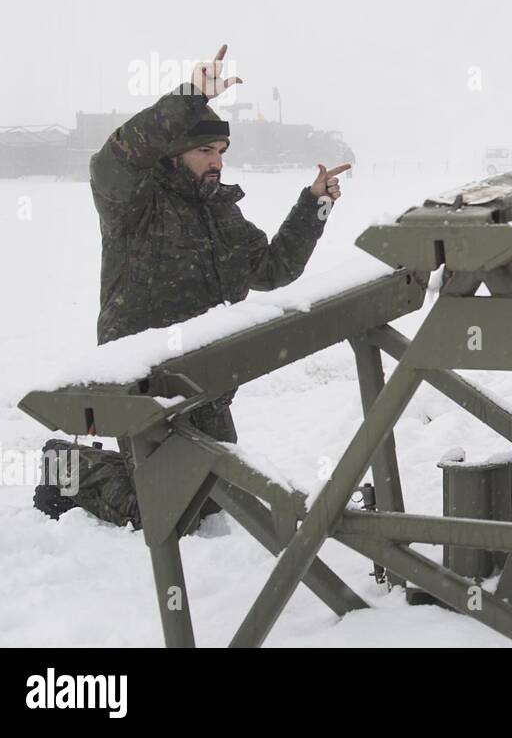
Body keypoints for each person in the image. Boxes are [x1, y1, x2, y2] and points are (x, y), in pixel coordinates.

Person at [34, 45, 349, 528]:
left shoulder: (221, 211)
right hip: (146, 382)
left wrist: (314, 206)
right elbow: (113, 158)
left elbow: (272, 270)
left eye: (221, 151)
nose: (217, 160)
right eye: (205, 150)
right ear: (173, 153)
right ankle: (66, 467)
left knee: (219, 495)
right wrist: (191, 96)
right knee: (169, 509)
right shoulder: (134, 202)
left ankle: (136, 475)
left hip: (207, 379)